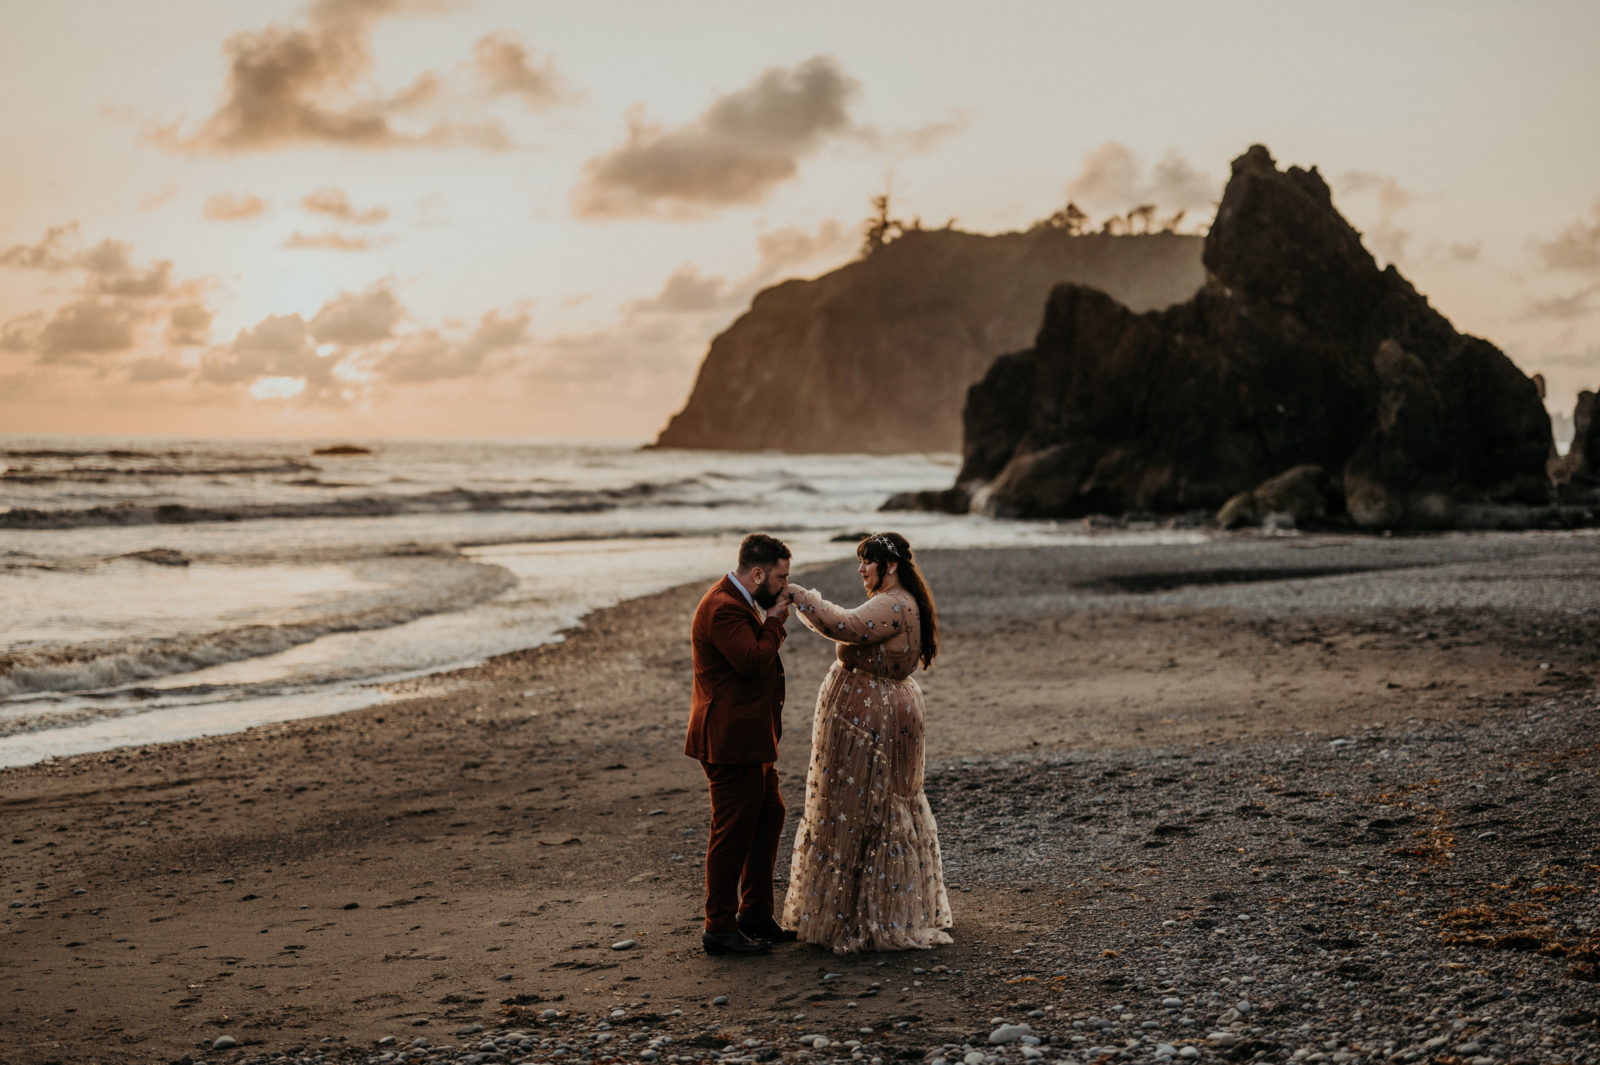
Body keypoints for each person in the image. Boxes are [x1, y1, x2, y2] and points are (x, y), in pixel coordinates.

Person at [779, 531, 953, 953]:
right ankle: (877, 907)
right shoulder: (906, 600)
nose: (861, 569)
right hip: (890, 708)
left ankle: (870, 914)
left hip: (874, 716)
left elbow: (846, 625)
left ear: (889, 566)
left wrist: (802, 596)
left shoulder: (893, 603)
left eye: (867, 562)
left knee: (866, 806)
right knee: (887, 800)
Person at [683, 533, 800, 956]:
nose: (785, 586)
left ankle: (754, 913)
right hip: (729, 740)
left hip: (751, 737)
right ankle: (719, 926)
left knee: (769, 815)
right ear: (757, 573)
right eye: (781, 577)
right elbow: (752, 661)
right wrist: (775, 622)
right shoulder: (723, 608)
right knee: (731, 832)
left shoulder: (740, 600)